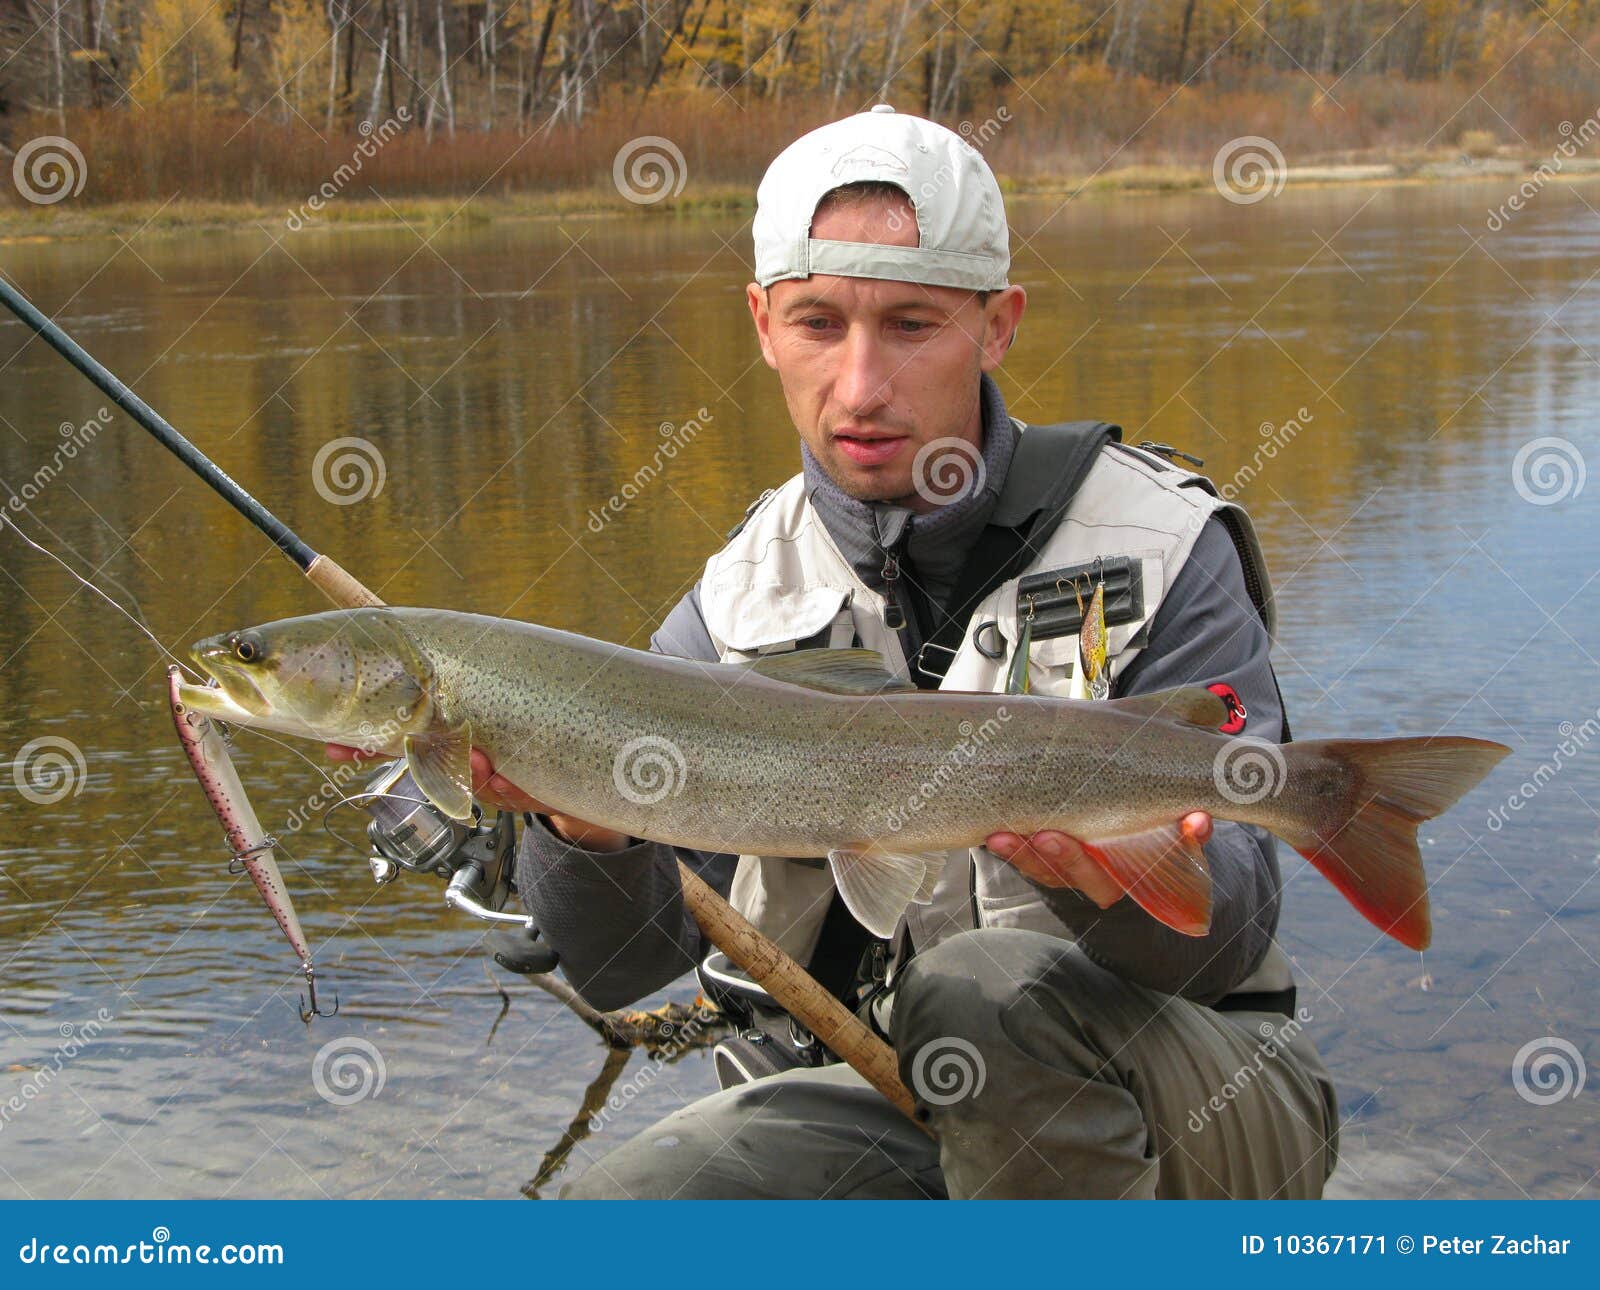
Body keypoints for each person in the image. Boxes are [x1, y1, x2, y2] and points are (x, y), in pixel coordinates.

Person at [334, 107, 1339, 1199]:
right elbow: (623, 968)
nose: (860, 387)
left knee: (983, 998)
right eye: (818, 323)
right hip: (883, 1105)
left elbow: (1225, 942)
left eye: (911, 325)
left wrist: (1110, 885)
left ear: (997, 325)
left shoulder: (1162, 546)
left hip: (1190, 1106)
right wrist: (579, 825)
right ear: (762, 325)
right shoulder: (731, 604)